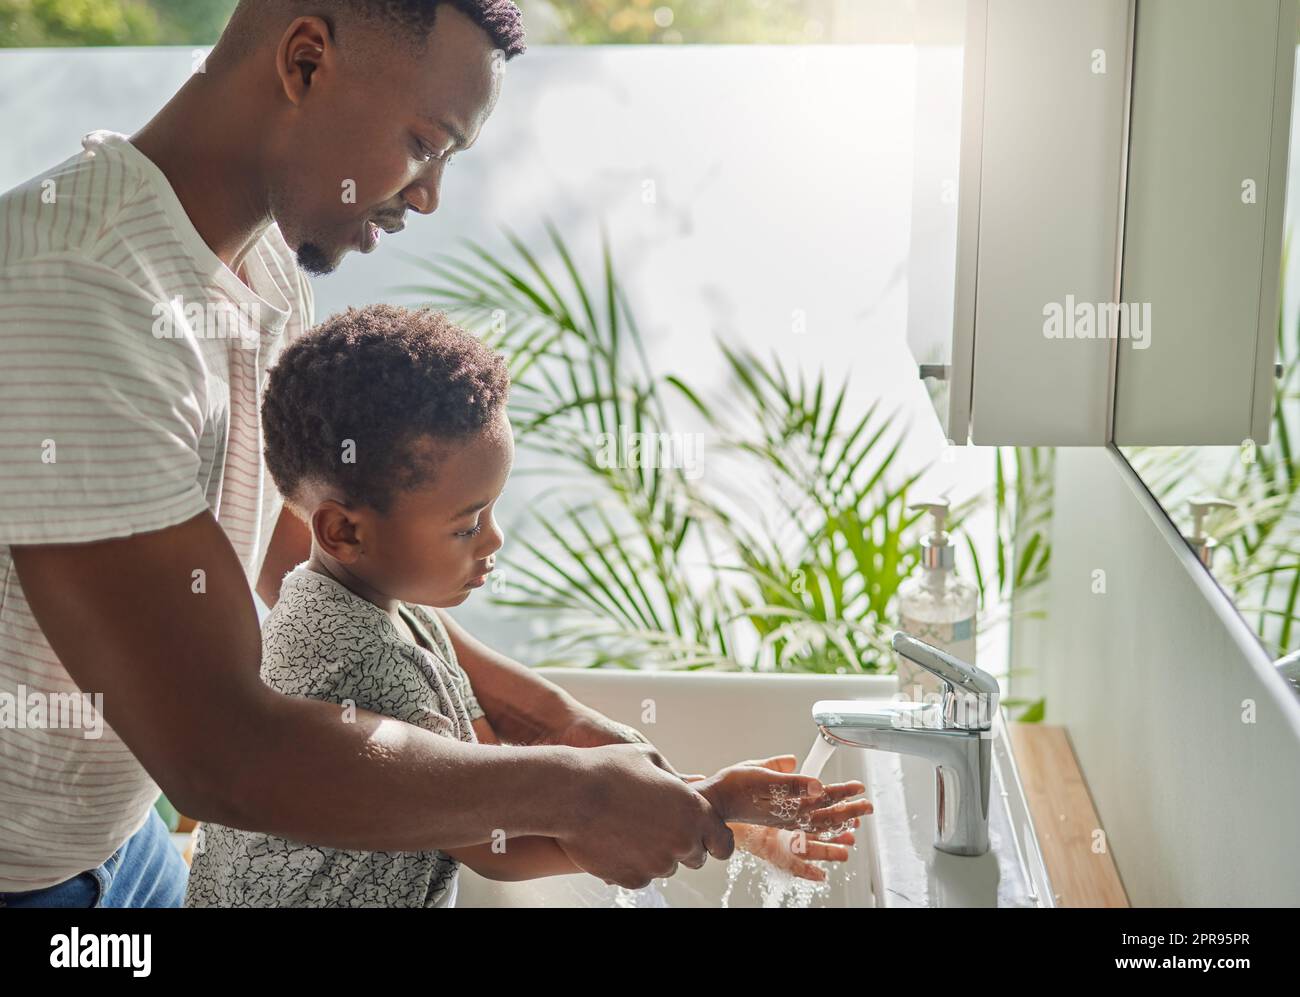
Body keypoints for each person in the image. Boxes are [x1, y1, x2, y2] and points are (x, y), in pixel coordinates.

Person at [0, 1, 750, 907]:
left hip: (127, 849)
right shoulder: (78, 287)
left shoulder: (265, 267)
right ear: (306, 61)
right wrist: (574, 791)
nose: (429, 195)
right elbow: (219, 753)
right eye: (425, 142)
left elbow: (292, 536)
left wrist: (548, 719)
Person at [183, 304, 868, 906]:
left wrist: (710, 809)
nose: (494, 539)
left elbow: (503, 759)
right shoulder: (358, 664)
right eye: (467, 523)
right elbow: (496, 842)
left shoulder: (373, 606)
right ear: (344, 530)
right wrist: (711, 807)